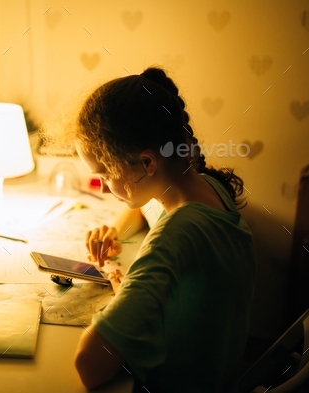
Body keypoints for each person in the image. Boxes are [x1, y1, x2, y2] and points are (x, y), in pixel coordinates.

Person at [46, 67, 256, 392]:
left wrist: (123, 292)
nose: (102, 189)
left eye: (104, 175)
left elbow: (89, 365)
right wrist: (113, 233)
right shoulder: (207, 188)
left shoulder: (176, 232)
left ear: (147, 163)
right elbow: (146, 209)